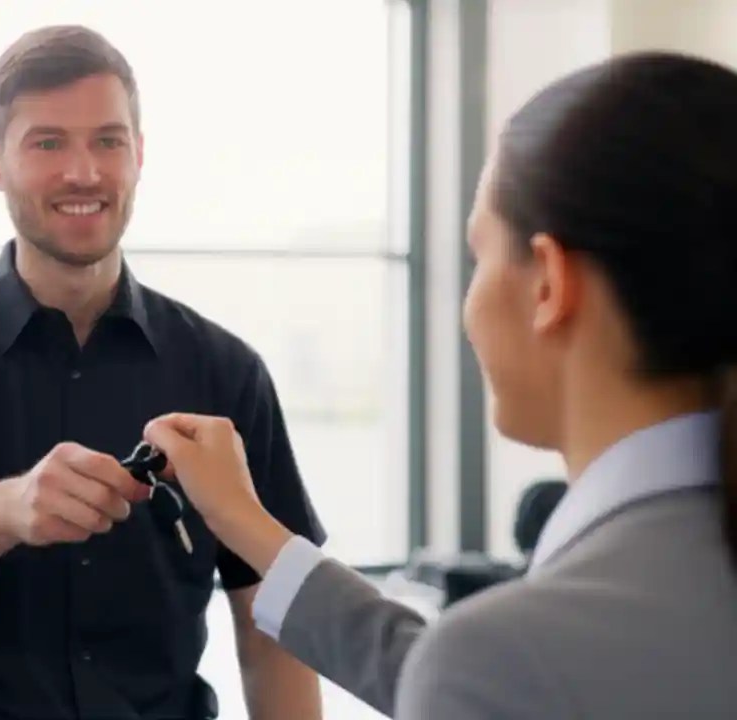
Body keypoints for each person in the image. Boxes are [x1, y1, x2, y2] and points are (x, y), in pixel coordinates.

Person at [142, 51, 737, 719]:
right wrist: (248, 525)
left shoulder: (510, 657)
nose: (469, 303)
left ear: (548, 282)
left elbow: (488, 677)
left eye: (477, 256)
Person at [0, 24, 328, 720]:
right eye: (48, 142)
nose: (83, 172)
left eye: (107, 141)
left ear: (139, 155)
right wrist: (10, 508)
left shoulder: (225, 371)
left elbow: (273, 622)